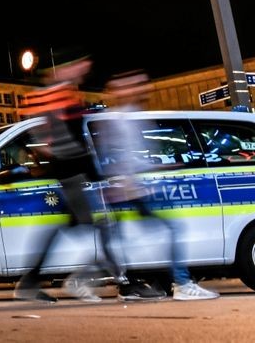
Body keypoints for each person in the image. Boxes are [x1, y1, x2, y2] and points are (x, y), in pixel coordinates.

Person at [12, 56, 130, 303]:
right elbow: (71, 143)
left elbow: (47, 139)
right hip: (75, 176)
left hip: (70, 175)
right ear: (66, 67)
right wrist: (95, 174)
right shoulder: (61, 97)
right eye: (80, 65)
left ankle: (32, 280)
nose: (84, 69)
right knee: (103, 226)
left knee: (73, 226)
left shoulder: (49, 96)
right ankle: (101, 279)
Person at [95, 72, 219, 301]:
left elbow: (132, 158)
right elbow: (115, 158)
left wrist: (158, 168)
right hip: (128, 190)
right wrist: (152, 171)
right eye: (130, 86)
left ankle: (140, 283)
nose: (138, 90)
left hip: (131, 189)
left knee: (126, 236)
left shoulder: (132, 117)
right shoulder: (115, 119)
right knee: (170, 229)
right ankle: (180, 283)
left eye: (140, 85)